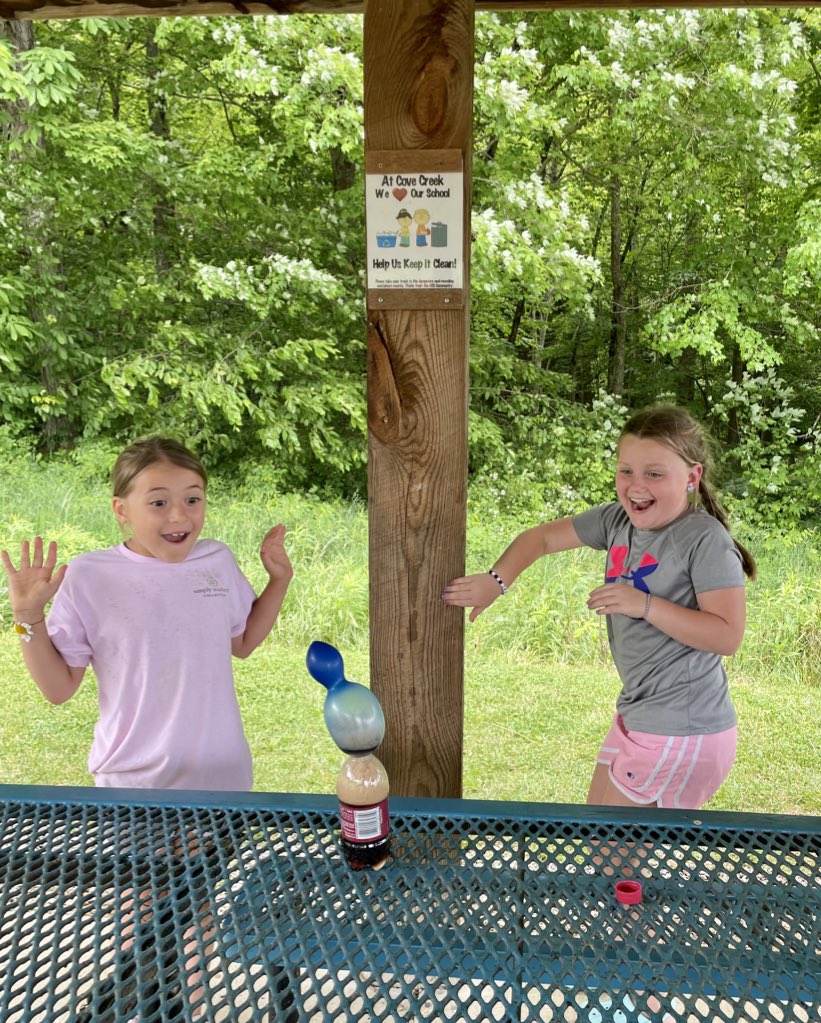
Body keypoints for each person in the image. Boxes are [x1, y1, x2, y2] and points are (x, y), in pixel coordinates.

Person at [443, 406, 756, 810]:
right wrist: (496, 581)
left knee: (620, 861)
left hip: (683, 727)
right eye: (626, 471)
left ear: (691, 478)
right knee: (600, 843)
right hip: (639, 716)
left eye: (654, 474)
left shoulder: (704, 539)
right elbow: (541, 539)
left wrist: (644, 605)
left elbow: (727, 635)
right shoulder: (617, 521)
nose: (635, 486)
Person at [1, 436, 293, 791]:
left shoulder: (216, 561)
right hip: (133, 782)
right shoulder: (88, 575)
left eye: (193, 499)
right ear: (121, 510)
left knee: (219, 851)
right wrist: (27, 616)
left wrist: (279, 580)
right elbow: (58, 689)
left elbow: (243, 642)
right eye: (158, 502)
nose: (179, 515)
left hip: (224, 777)